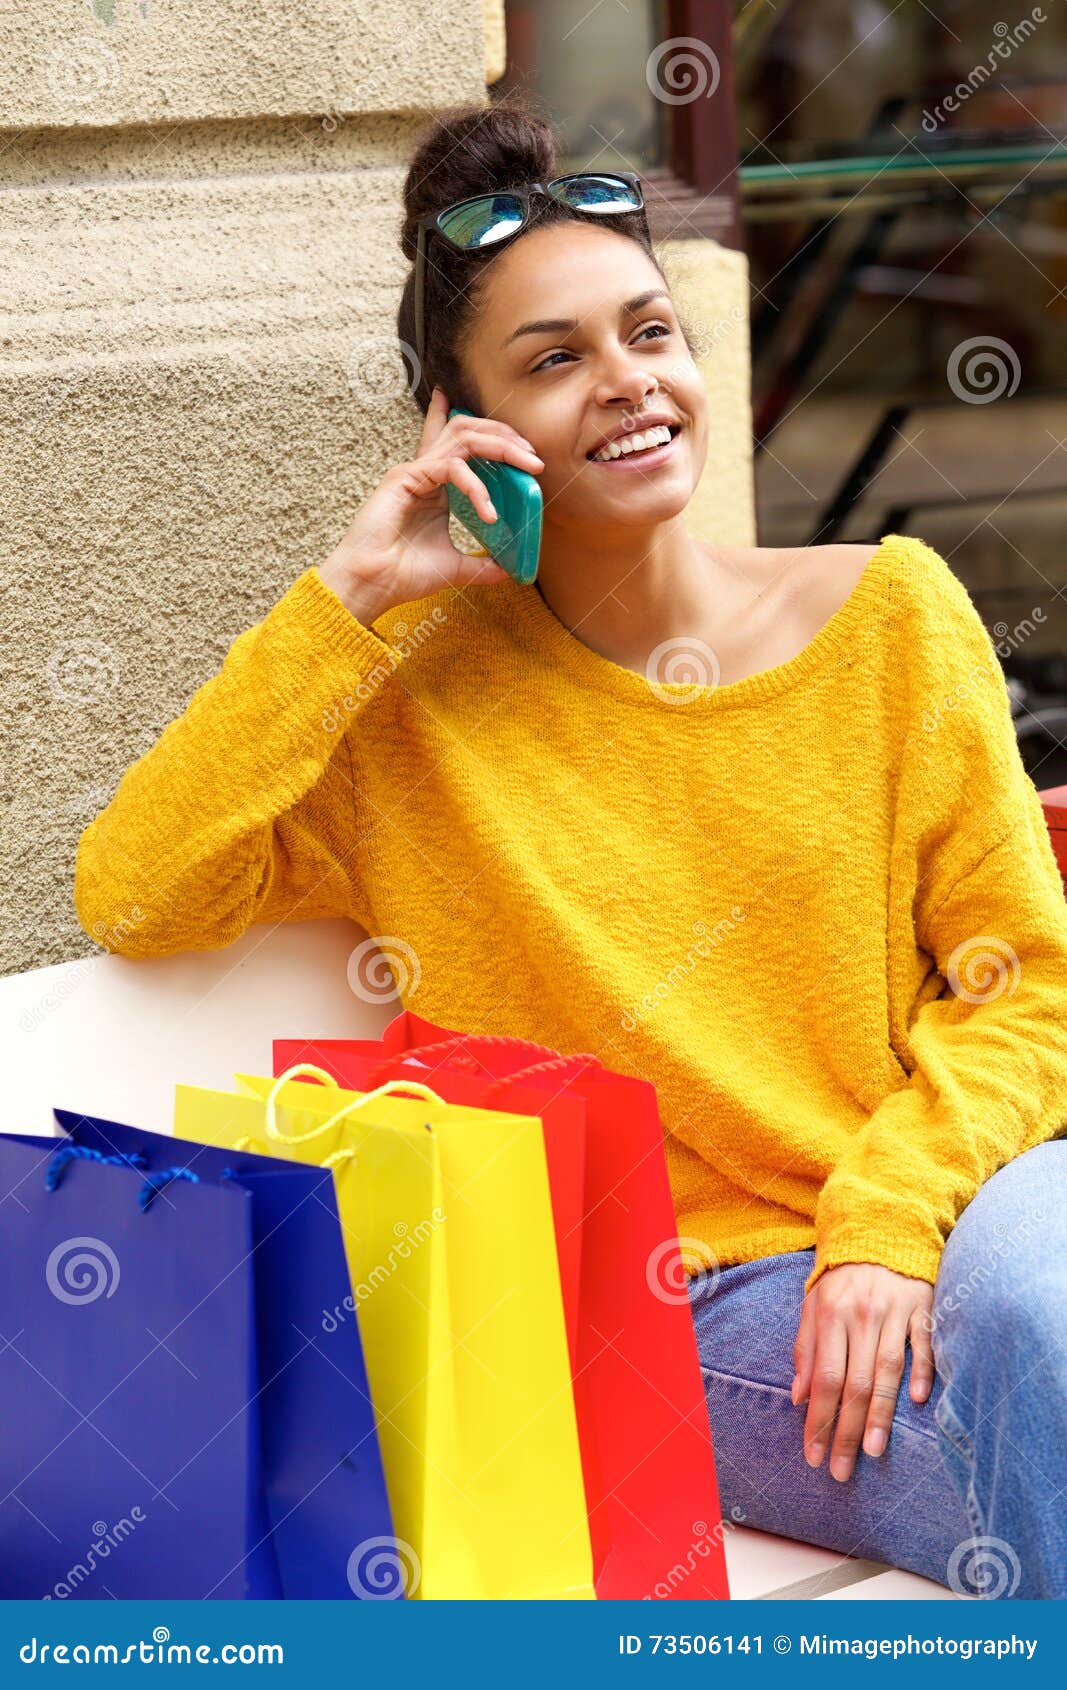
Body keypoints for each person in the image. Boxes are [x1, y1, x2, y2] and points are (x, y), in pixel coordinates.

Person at [73, 96, 1067, 1598]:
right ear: (462, 431)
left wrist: (887, 1222)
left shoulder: (894, 615)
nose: (630, 382)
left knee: (1043, 1313)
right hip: (696, 1311)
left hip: (955, 1211)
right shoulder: (411, 713)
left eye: (648, 331)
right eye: (555, 359)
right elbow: (139, 889)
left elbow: (1024, 985)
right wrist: (350, 598)